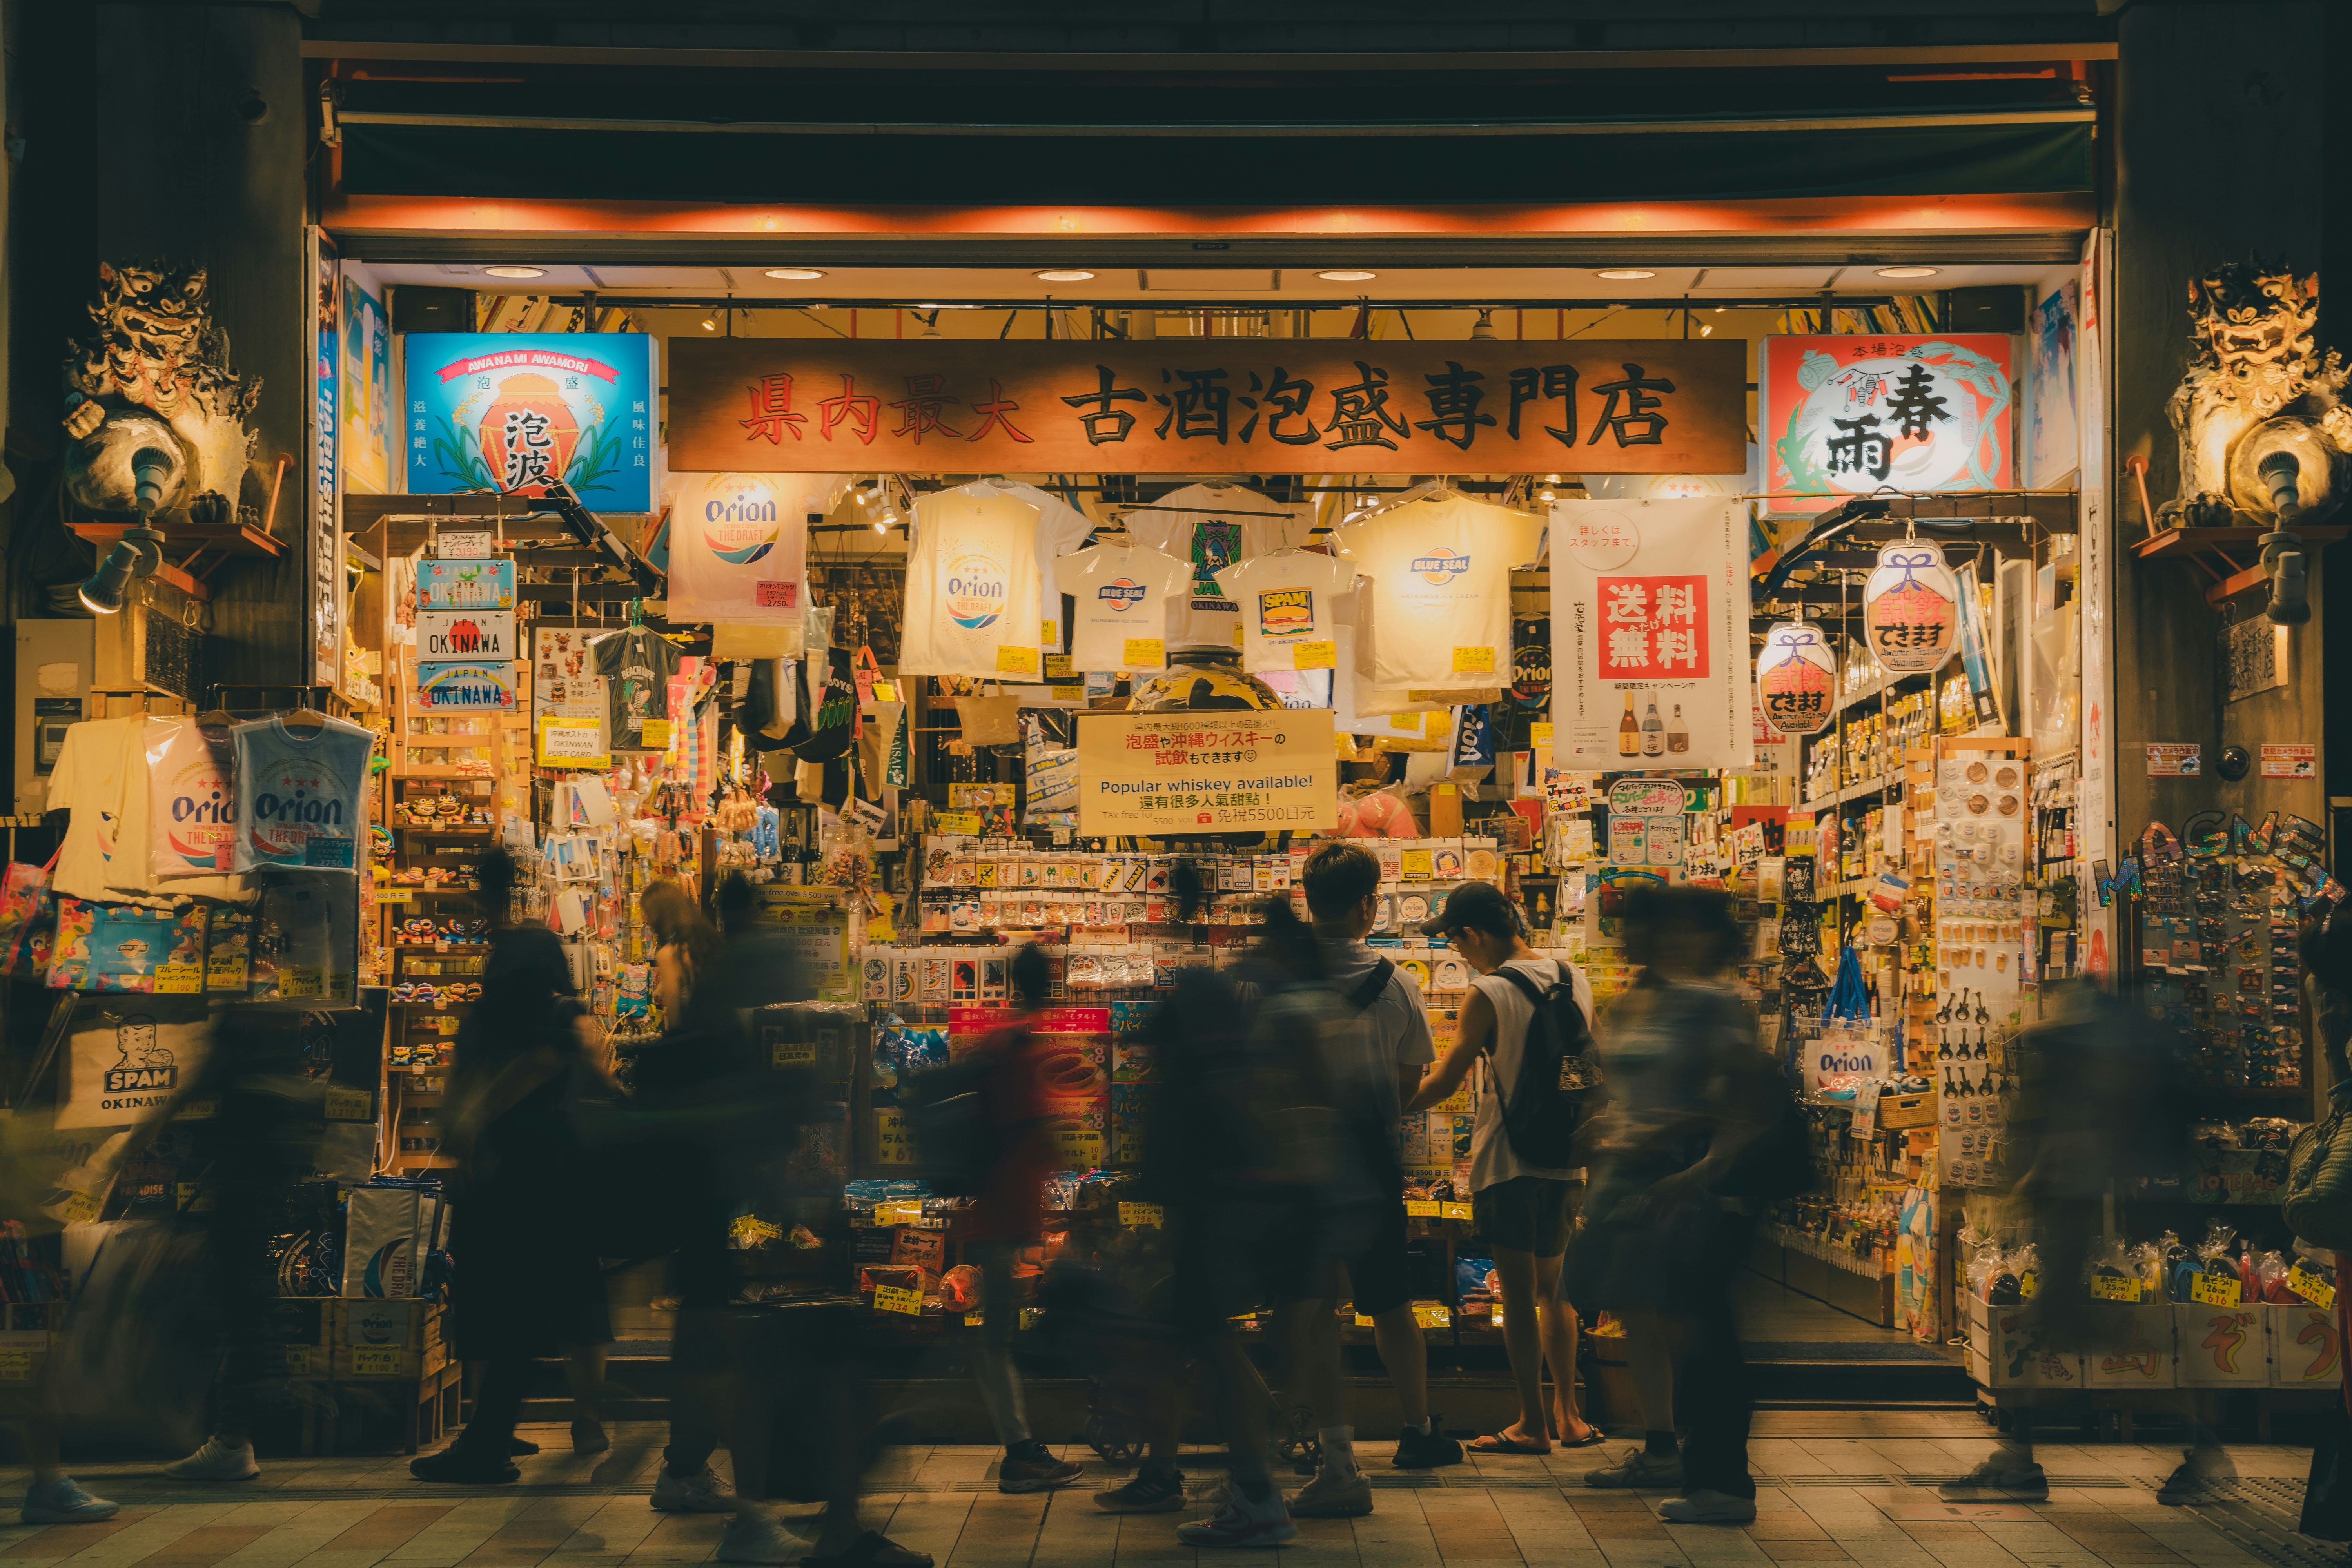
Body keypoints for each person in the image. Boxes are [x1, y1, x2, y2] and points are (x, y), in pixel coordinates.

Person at [1142, 891, 1342, 1549]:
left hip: (1232, 1199)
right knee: (1247, 1338)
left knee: (1213, 1340)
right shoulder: (1288, 1003)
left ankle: (1257, 1490)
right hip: (1279, 1199)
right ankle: (1267, 1479)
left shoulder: (1248, 1005)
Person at [1572, 885, 1774, 1524]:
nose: (1647, 940)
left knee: (1701, 1330)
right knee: (1670, 1322)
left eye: (1668, 929)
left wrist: (1662, 1138)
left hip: (1699, 1189)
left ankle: (1721, 1481)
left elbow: (1739, 1101)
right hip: (1648, 1187)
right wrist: (1610, 1128)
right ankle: (1689, 1462)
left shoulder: (1709, 1004)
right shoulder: (1646, 998)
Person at [412, 849, 614, 1485]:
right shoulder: (534, 979)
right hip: (531, 1173)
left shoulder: (530, 996)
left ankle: (489, 1441)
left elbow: (538, 1065)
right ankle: (493, 1433)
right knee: (522, 1306)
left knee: (518, 1306)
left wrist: (472, 1125)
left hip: (524, 1173)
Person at [1281, 842, 1459, 1523]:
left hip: (1294, 1165)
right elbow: (1412, 1080)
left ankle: (1324, 1442)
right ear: (1367, 905)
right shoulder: (1399, 983)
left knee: (1306, 1304)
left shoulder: (1271, 981)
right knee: (1388, 1304)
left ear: (1307, 900)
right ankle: (1415, 1431)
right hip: (1373, 1163)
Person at [1408, 880, 1599, 1459]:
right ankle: (1570, 1416)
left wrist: (1379, 1103)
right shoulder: (1574, 978)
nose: (1459, 956)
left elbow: (1443, 1082)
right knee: (1556, 1292)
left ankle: (1531, 1423)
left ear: (1473, 934)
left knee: (1516, 1298)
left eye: (1456, 944)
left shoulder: (1487, 991)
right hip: (1567, 1158)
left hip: (1509, 1160)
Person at [960, 945, 1084, 1494]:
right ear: (1048, 983)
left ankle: (1021, 1446)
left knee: (997, 1335)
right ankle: (1020, 1452)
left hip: (998, 1207)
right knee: (997, 1336)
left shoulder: (1000, 1038)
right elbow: (1031, 1131)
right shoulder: (1021, 1045)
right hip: (1006, 1211)